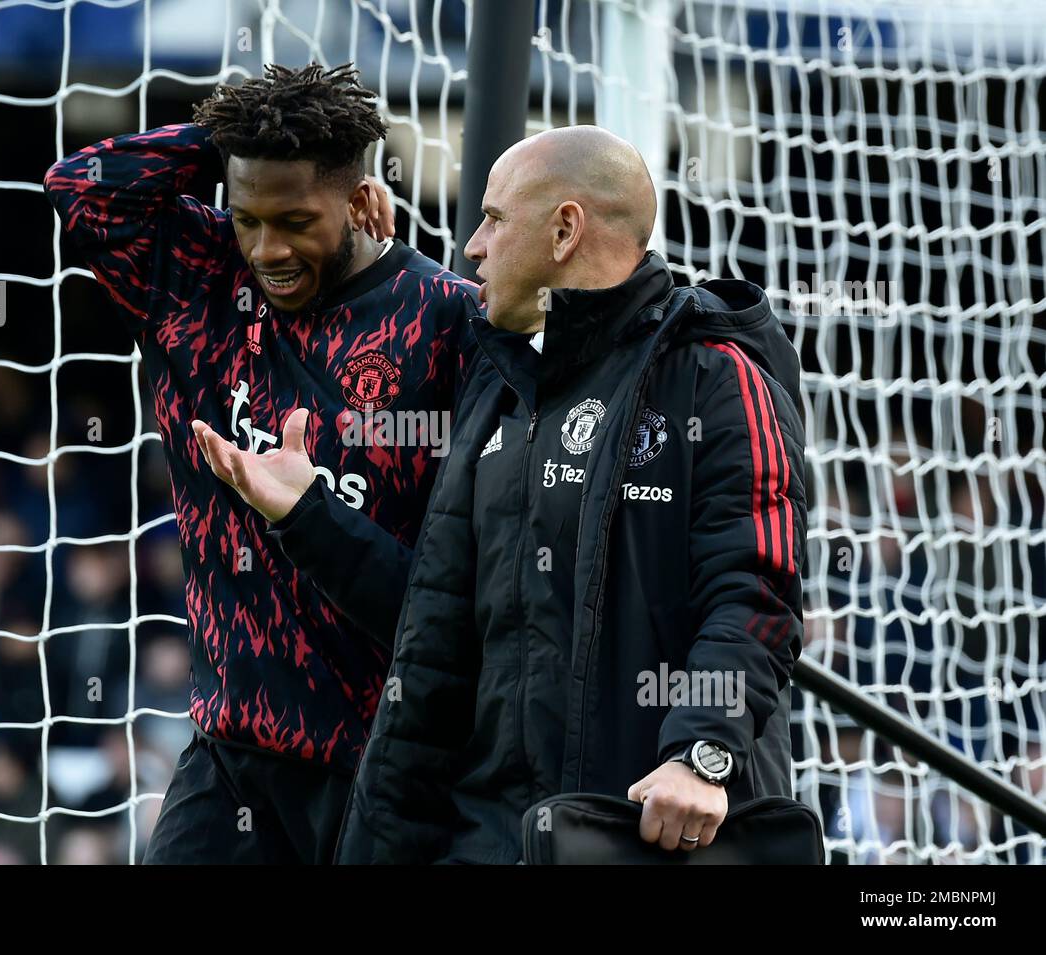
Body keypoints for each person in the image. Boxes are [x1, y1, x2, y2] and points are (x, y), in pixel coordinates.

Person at [200, 124, 806, 864]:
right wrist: (309, 517)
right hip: (486, 838)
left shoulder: (710, 378)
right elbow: (432, 628)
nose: (473, 246)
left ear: (564, 229)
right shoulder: (501, 392)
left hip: (641, 830)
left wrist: (703, 751)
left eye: (493, 218)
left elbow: (753, 592)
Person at [43, 63, 479, 864]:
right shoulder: (199, 276)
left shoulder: (446, 319)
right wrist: (242, 135)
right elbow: (81, 187)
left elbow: (461, 584)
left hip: (380, 763)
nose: (268, 248)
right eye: (247, 217)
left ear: (359, 201)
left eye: (295, 218)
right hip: (228, 754)